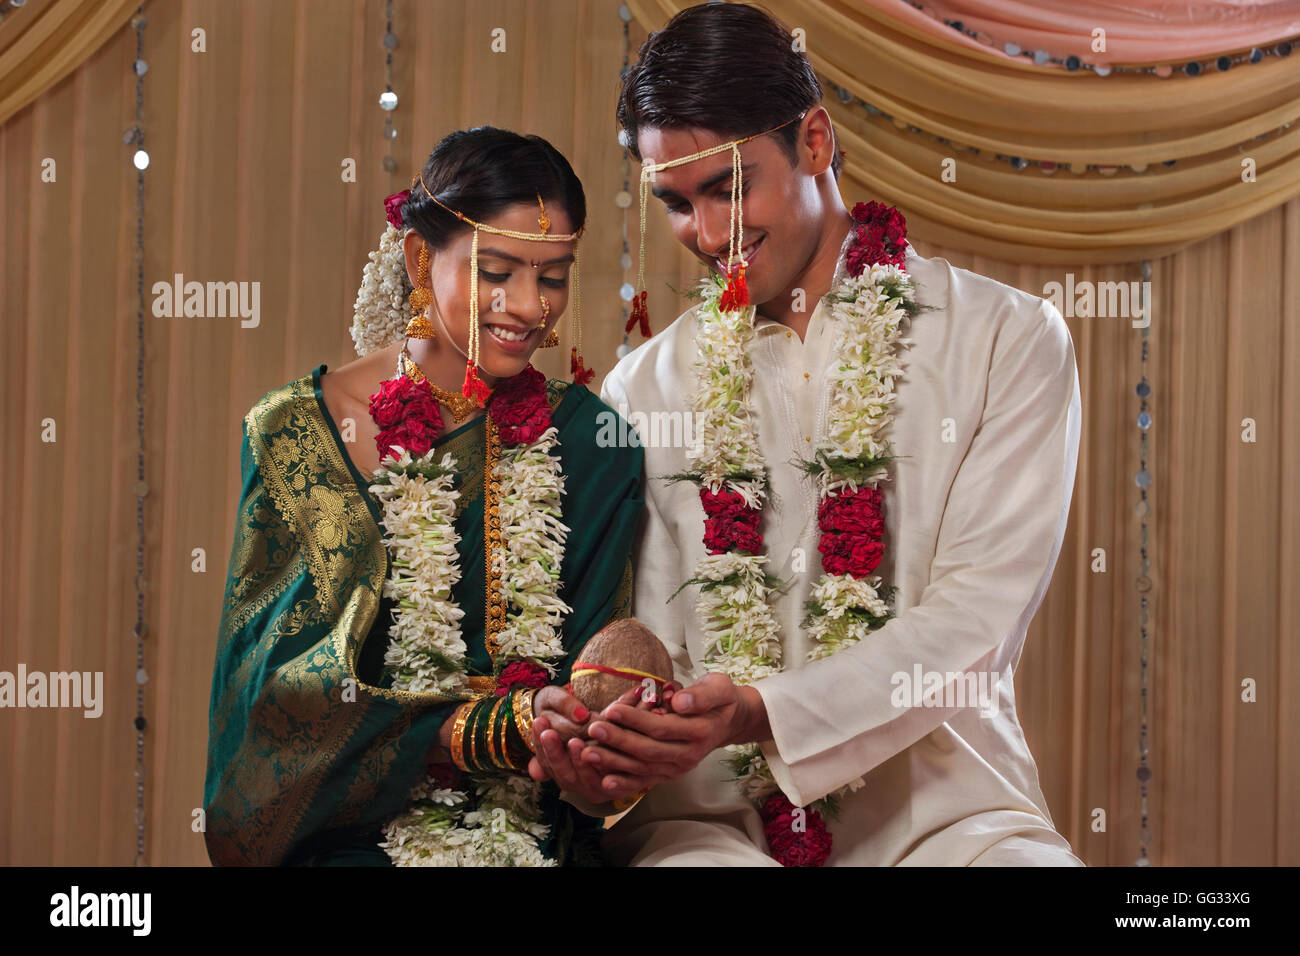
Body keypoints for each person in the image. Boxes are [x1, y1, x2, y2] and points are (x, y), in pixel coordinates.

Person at [562, 3, 1085, 866]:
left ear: (814, 142)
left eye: (729, 187)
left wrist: (769, 711)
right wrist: (610, 738)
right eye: (676, 203)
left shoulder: (1004, 339)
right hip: (707, 823)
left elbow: (979, 615)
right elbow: (648, 637)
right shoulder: (643, 386)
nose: (710, 234)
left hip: (949, 816)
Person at [203, 127, 654, 866]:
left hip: (530, 839)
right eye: (497, 271)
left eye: (553, 276)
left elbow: (595, 686)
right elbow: (271, 709)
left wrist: (583, 737)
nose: (528, 306)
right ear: (419, 258)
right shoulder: (298, 431)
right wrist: (473, 732)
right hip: (346, 841)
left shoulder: (593, 444)